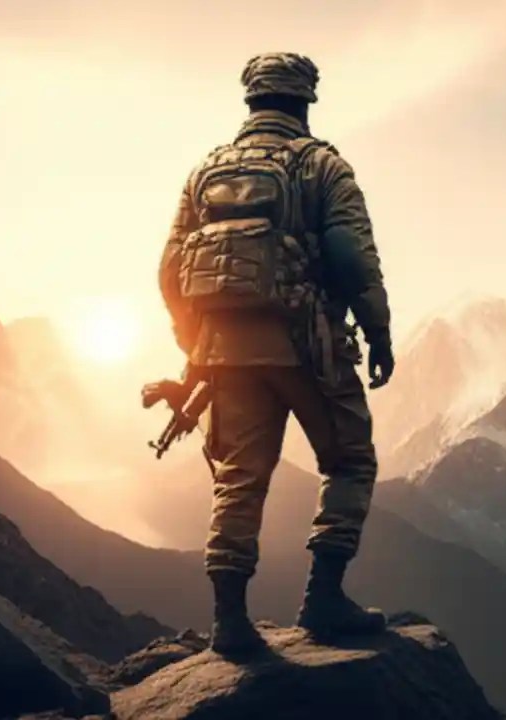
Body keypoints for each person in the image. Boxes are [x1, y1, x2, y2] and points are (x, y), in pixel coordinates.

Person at [158, 52, 396, 656]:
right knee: (348, 461)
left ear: (250, 101)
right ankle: (323, 599)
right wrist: (378, 334)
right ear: (305, 101)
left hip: (223, 353)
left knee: (238, 479)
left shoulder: (203, 172)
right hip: (305, 344)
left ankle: (230, 622)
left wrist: (199, 347)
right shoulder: (321, 166)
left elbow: (168, 272)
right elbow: (351, 257)